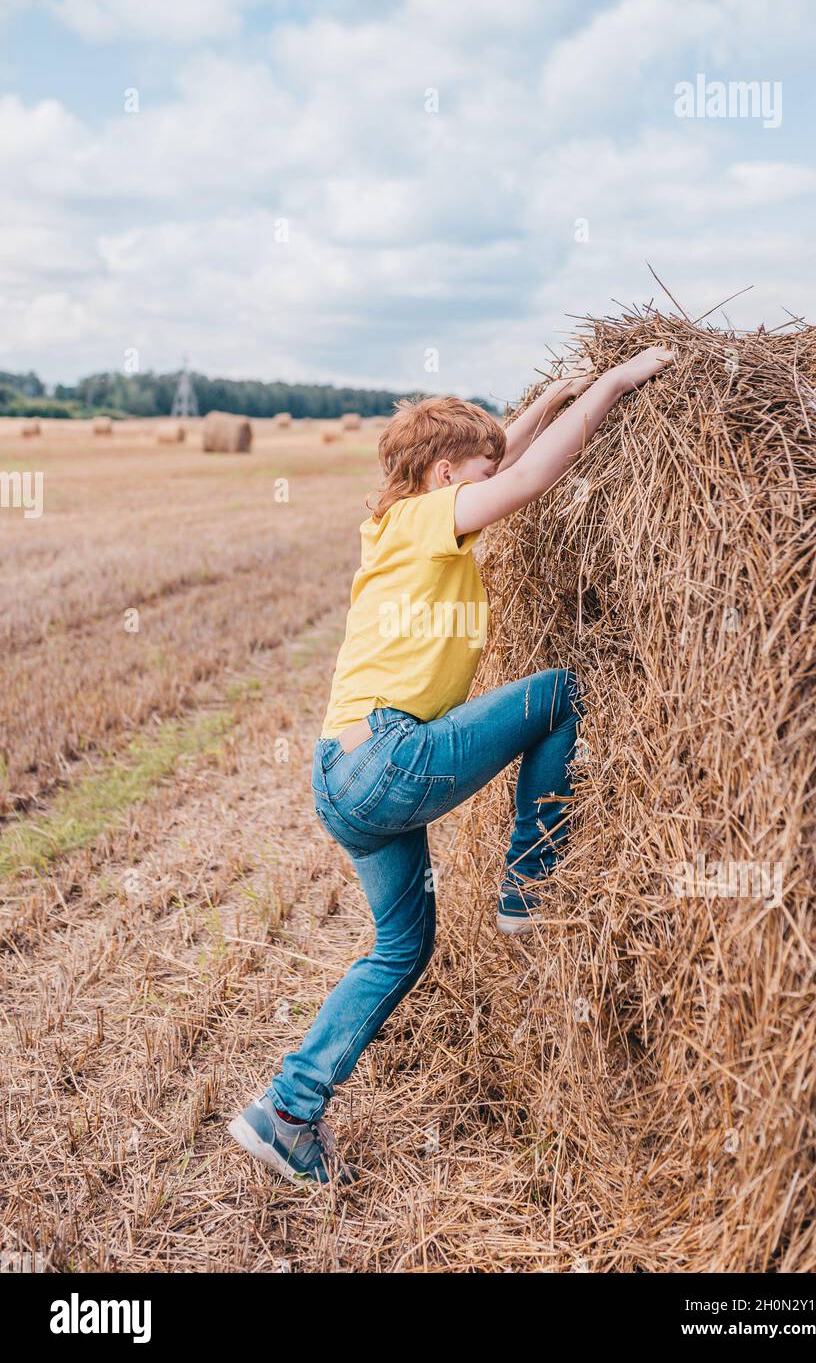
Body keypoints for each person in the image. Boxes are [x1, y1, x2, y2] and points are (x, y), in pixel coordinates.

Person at [228, 342, 674, 1184]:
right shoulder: (431, 519)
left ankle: (288, 1109)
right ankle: (529, 882)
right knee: (563, 691)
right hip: (390, 760)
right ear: (442, 477)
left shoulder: (395, 524)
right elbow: (526, 479)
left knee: (400, 952)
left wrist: (544, 402)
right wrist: (614, 385)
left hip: (343, 778)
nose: (487, 477)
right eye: (473, 469)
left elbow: (503, 452)